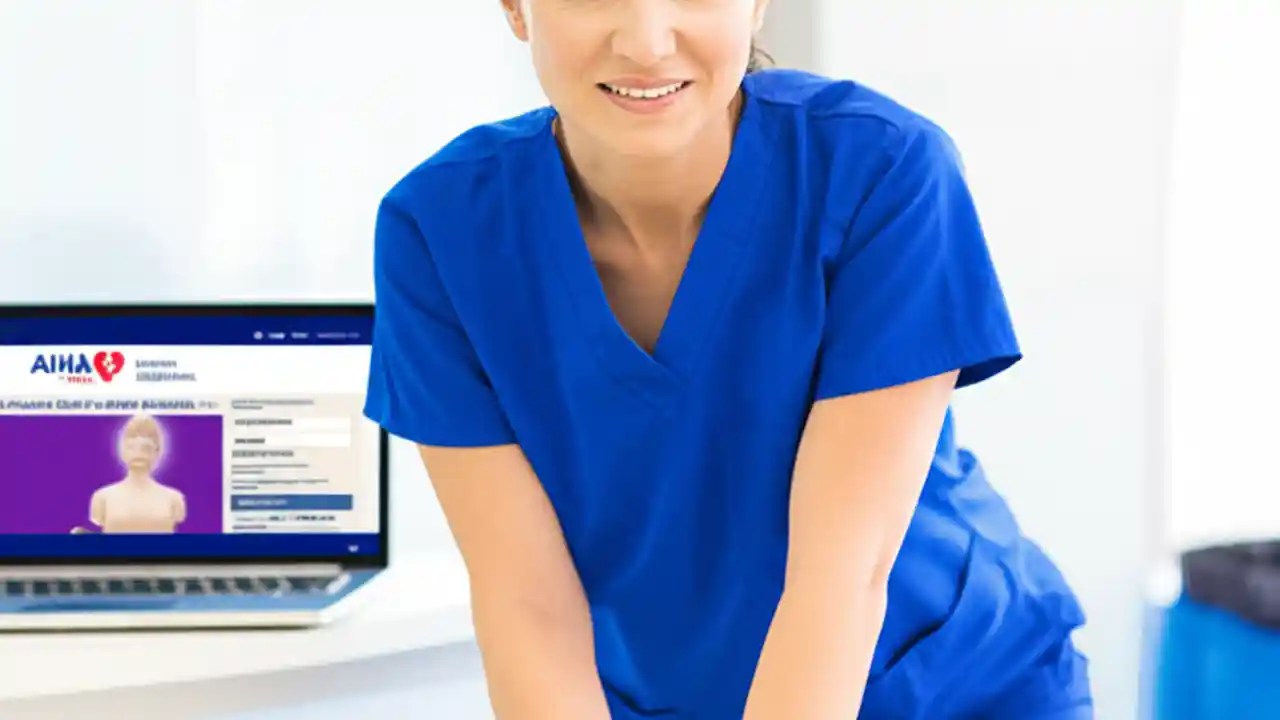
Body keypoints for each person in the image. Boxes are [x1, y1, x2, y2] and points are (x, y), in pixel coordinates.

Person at [363, 1, 1091, 717]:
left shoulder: (883, 169)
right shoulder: (439, 229)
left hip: (954, 685)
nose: (646, 41)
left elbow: (838, 578)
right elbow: (527, 604)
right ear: (516, 8)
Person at [88, 414, 186, 534]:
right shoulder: (102, 498)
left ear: (157, 452)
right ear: (123, 452)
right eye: (131, 447)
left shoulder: (174, 499)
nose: (139, 453)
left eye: (146, 448)